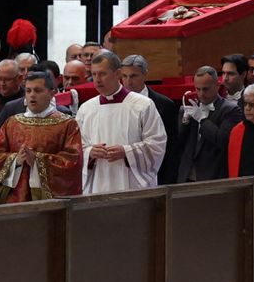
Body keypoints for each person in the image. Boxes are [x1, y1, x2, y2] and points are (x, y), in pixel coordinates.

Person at [76, 50, 168, 194]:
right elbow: (76, 147)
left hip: (132, 184)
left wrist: (126, 151)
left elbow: (157, 144)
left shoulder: (143, 105)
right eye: (94, 74)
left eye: (102, 74)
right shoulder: (86, 109)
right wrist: (90, 152)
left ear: (118, 74)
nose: (97, 79)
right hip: (97, 183)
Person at [0, 69, 84, 202]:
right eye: (28, 91)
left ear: (52, 93)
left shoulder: (67, 124)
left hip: (49, 203)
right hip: (15, 199)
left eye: (38, 91)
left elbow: (73, 161)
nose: (32, 95)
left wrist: (37, 160)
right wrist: (16, 160)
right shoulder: (12, 123)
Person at [121, 55, 184, 183]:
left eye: (133, 76)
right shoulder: (116, 104)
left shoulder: (164, 105)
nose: (128, 82)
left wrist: (168, 181)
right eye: (124, 76)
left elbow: (171, 148)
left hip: (156, 174)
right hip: (123, 173)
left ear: (145, 75)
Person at [177, 66, 241, 183]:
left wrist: (202, 119)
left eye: (206, 89)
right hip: (186, 176)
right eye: (198, 89)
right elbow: (179, 144)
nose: (201, 94)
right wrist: (185, 121)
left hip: (213, 176)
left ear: (217, 86)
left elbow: (222, 140)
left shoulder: (231, 110)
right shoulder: (188, 108)